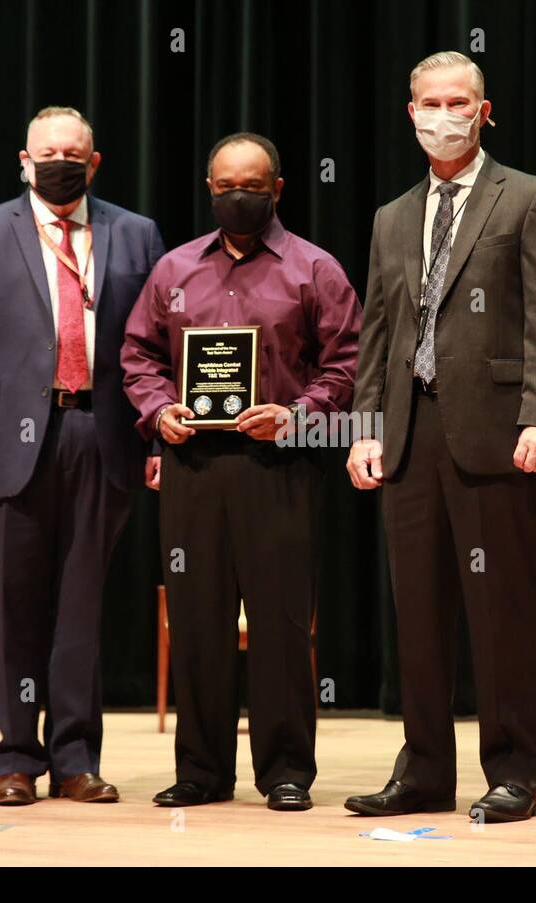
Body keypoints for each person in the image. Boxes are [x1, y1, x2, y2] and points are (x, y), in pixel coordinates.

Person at [344, 52, 536, 823]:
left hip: (496, 430)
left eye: (459, 101)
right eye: (430, 101)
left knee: (502, 610)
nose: (443, 113)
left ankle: (515, 769)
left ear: (485, 112)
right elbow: (377, 333)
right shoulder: (391, 217)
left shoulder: (531, 199)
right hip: (411, 432)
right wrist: (364, 428)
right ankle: (422, 771)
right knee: (417, 614)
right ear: (408, 111)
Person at [0, 106, 164, 806]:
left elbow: (151, 345)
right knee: (18, 605)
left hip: (102, 431)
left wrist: (155, 437)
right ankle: (16, 762)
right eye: (47, 151)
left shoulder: (136, 232)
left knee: (82, 606)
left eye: (74, 153)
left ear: (94, 163)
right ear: (24, 162)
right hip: (7, 439)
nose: (61, 161)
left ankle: (76, 759)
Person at [121, 133, 360, 811]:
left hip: (277, 469)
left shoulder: (315, 270)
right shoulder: (173, 271)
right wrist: (158, 408)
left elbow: (348, 361)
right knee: (197, 622)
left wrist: (296, 414)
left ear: (278, 189)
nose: (238, 197)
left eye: (251, 185)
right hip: (191, 468)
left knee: (281, 625)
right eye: (226, 187)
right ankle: (201, 771)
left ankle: (285, 771)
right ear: (209, 189)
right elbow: (138, 353)